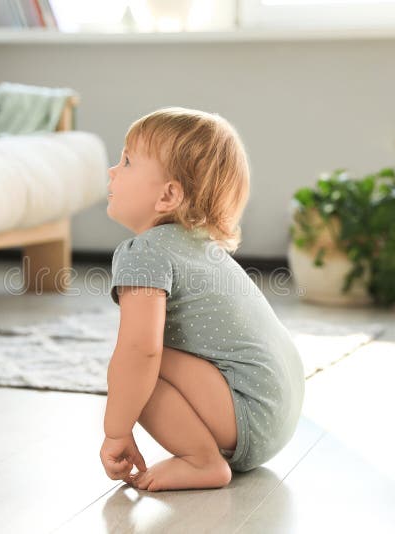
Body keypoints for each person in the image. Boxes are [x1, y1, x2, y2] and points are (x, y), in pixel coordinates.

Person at [100, 107, 305, 491]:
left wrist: (116, 431)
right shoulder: (202, 248)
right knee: (137, 366)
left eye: (126, 161)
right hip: (277, 414)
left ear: (169, 195)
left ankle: (201, 461)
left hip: (247, 414)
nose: (113, 170)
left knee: (131, 370)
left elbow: (140, 350)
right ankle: (207, 452)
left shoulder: (144, 251)